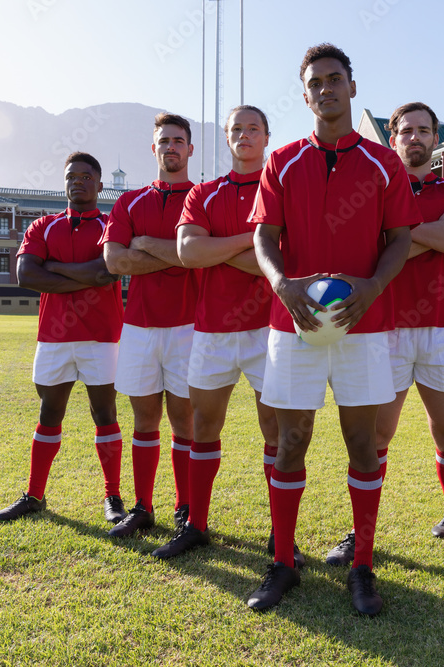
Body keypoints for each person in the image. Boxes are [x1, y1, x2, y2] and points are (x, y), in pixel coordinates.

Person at [246, 43, 418, 616]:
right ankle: (284, 564)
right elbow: (264, 237)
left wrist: (370, 288)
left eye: (335, 79)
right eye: (315, 82)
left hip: (363, 324)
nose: (326, 88)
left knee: (363, 445)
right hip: (292, 322)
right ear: (305, 94)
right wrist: (281, 284)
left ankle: (363, 566)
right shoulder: (283, 160)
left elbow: (400, 241)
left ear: (351, 86)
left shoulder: (383, 163)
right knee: (290, 441)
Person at [322, 101, 444, 568]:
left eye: (423, 130)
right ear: (391, 139)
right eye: (405, 131)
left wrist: (402, 240)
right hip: (386, 328)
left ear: (436, 138)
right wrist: (432, 235)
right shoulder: (377, 190)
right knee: (376, 435)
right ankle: (360, 535)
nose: (414, 138)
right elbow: (374, 252)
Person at [151, 105, 303, 566]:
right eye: (236, 129)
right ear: (226, 137)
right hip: (212, 329)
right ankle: (196, 524)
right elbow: (189, 252)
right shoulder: (204, 191)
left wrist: (222, 247)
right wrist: (254, 241)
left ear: (266, 135)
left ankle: (282, 536)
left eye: (253, 128)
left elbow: (289, 260)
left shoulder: (283, 190)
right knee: (203, 427)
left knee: (274, 429)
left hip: (270, 327)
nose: (244, 135)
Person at [0, 152, 125, 524]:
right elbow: (26, 275)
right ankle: (34, 495)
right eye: (72, 176)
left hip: (102, 336)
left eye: (87, 176)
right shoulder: (43, 226)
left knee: (105, 414)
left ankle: (112, 497)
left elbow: (107, 272)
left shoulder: (111, 225)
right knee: (49, 412)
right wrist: (82, 275)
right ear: (64, 182)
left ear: (100, 185)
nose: (78, 181)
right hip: (53, 338)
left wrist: (53, 267)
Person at [102, 114, 197, 538]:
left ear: (190, 149)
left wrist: (148, 246)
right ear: (153, 148)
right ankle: (142, 507)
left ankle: (186, 507)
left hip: (191, 326)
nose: (171, 147)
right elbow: (115, 262)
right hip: (139, 326)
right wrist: (180, 254)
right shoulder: (130, 202)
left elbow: (202, 256)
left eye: (179, 140)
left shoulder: (204, 197)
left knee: (185, 421)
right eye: (164, 141)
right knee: (144, 421)